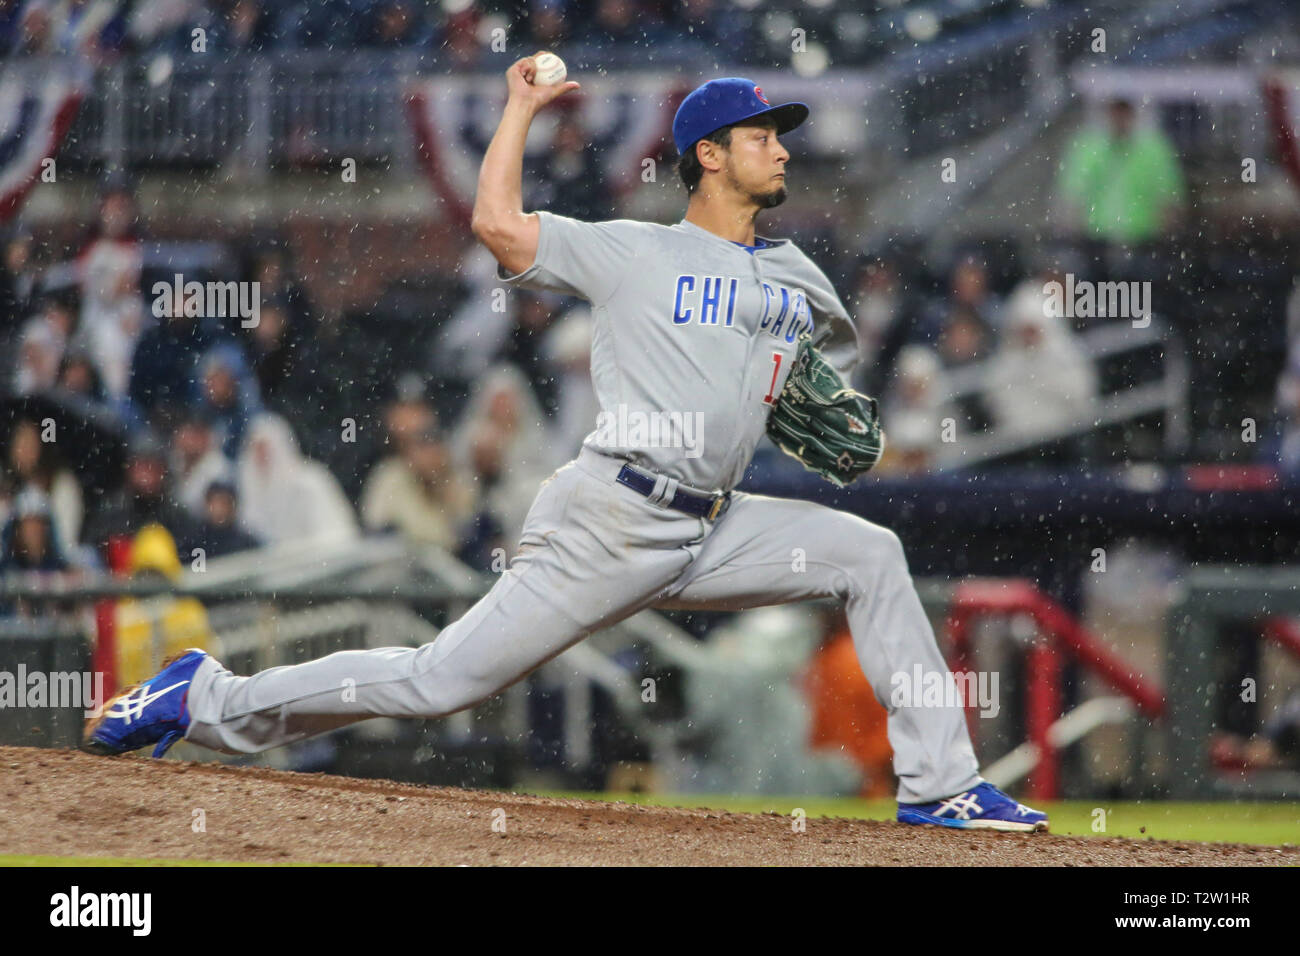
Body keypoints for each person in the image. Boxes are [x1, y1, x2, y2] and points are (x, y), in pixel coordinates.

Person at [84, 66, 1047, 832]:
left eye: (778, 132)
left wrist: (808, 399)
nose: (779, 145)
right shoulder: (636, 249)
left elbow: (802, 386)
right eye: (761, 134)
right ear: (708, 156)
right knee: (439, 679)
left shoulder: (799, 277)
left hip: (715, 525)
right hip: (611, 517)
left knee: (871, 554)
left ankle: (940, 785)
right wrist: (519, 108)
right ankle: (207, 694)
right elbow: (499, 227)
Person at [1057, 97, 1186, 245]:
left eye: (1123, 114)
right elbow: (1072, 196)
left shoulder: (1153, 151)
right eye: (1115, 114)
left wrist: (1167, 233)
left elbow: (1169, 197)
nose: (1119, 120)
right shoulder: (1089, 149)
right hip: (1096, 237)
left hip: (1143, 237)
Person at [235, 413, 358, 547]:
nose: (262, 456)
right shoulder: (251, 494)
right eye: (256, 449)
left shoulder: (309, 481)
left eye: (265, 448)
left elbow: (333, 534)